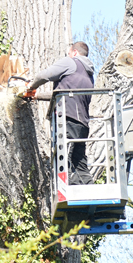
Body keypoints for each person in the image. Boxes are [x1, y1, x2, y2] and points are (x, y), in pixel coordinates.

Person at [28, 41, 95, 185]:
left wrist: (30, 87)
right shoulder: (89, 75)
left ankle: (68, 189)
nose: (69, 56)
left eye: (69, 53)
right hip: (82, 124)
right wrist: (37, 96)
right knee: (80, 164)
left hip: (68, 119)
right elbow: (62, 93)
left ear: (75, 53)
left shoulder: (71, 63)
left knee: (64, 159)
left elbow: (45, 75)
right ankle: (90, 191)